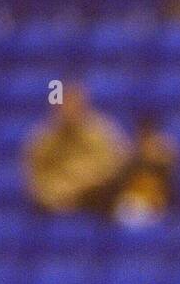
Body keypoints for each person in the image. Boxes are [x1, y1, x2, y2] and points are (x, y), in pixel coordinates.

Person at [22, 82, 129, 214]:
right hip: (56, 203)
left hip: (95, 201)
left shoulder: (102, 132)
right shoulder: (43, 138)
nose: (69, 109)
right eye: (65, 105)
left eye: (73, 104)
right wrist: (63, 190)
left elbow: (114, 167)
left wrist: (83, 182)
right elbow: (35, 178)